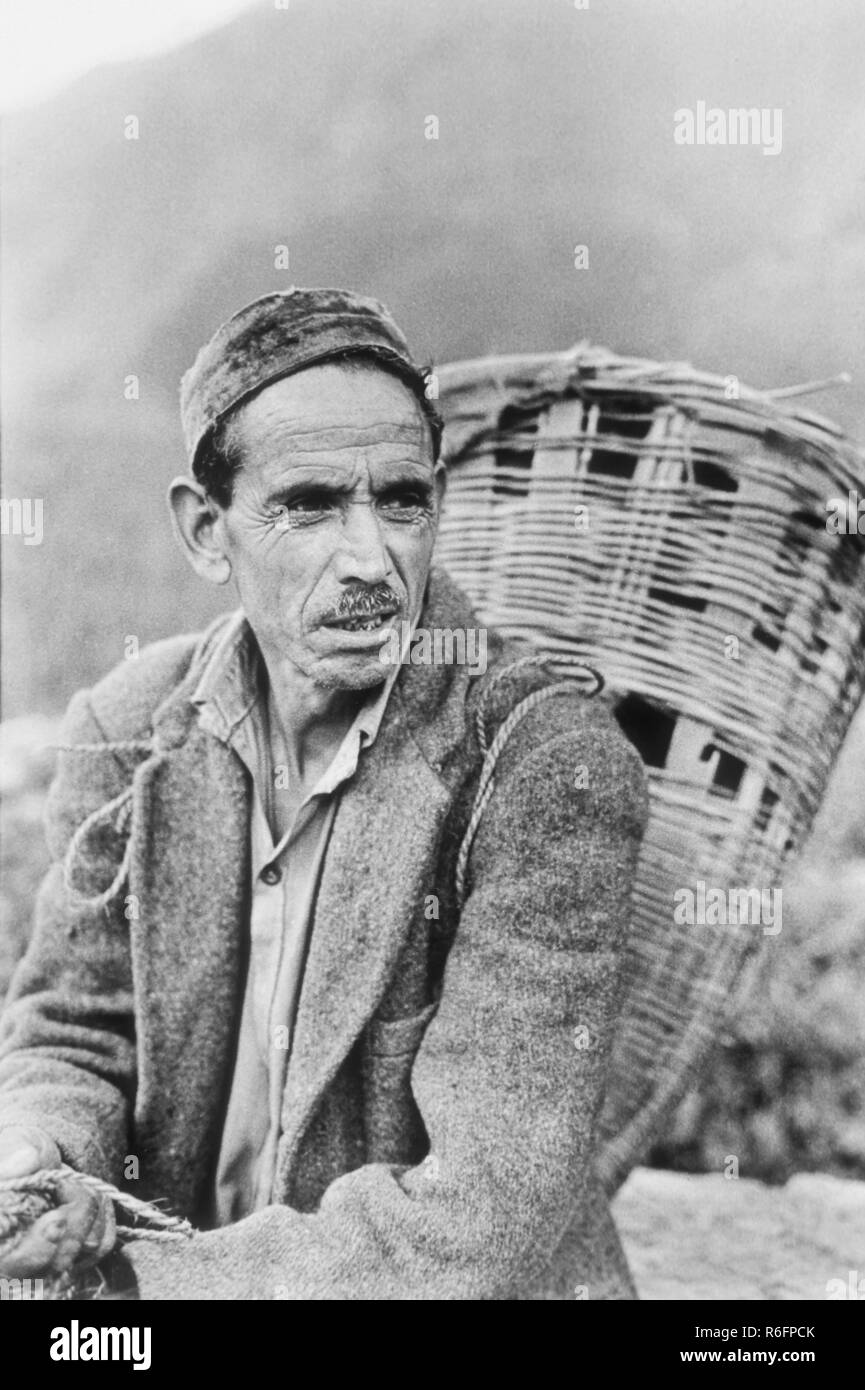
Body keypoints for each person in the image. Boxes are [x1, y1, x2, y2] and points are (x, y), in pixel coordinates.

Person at [0, 287, 648, 1299]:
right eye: (308, 504)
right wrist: (36, 1168)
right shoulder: (128, 729)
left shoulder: (544, 763)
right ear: (206, 530)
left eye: (400, 501)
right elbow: (74, 1032)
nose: (369, 560)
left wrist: (150, 1282)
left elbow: (479, 1216)